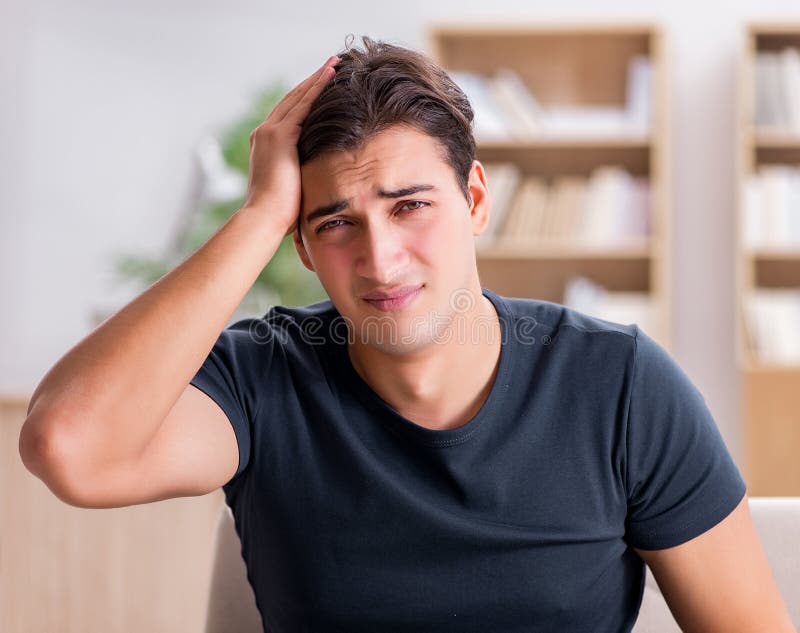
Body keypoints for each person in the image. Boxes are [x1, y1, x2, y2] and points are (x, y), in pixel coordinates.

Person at [19, 36, 795, 633]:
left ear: (476, 199)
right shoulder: (262, 381)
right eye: (335, 223)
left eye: (410, 205)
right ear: (300, 245)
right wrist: (259, 214)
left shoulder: (621, 385)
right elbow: (69, 445)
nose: (381, 258)